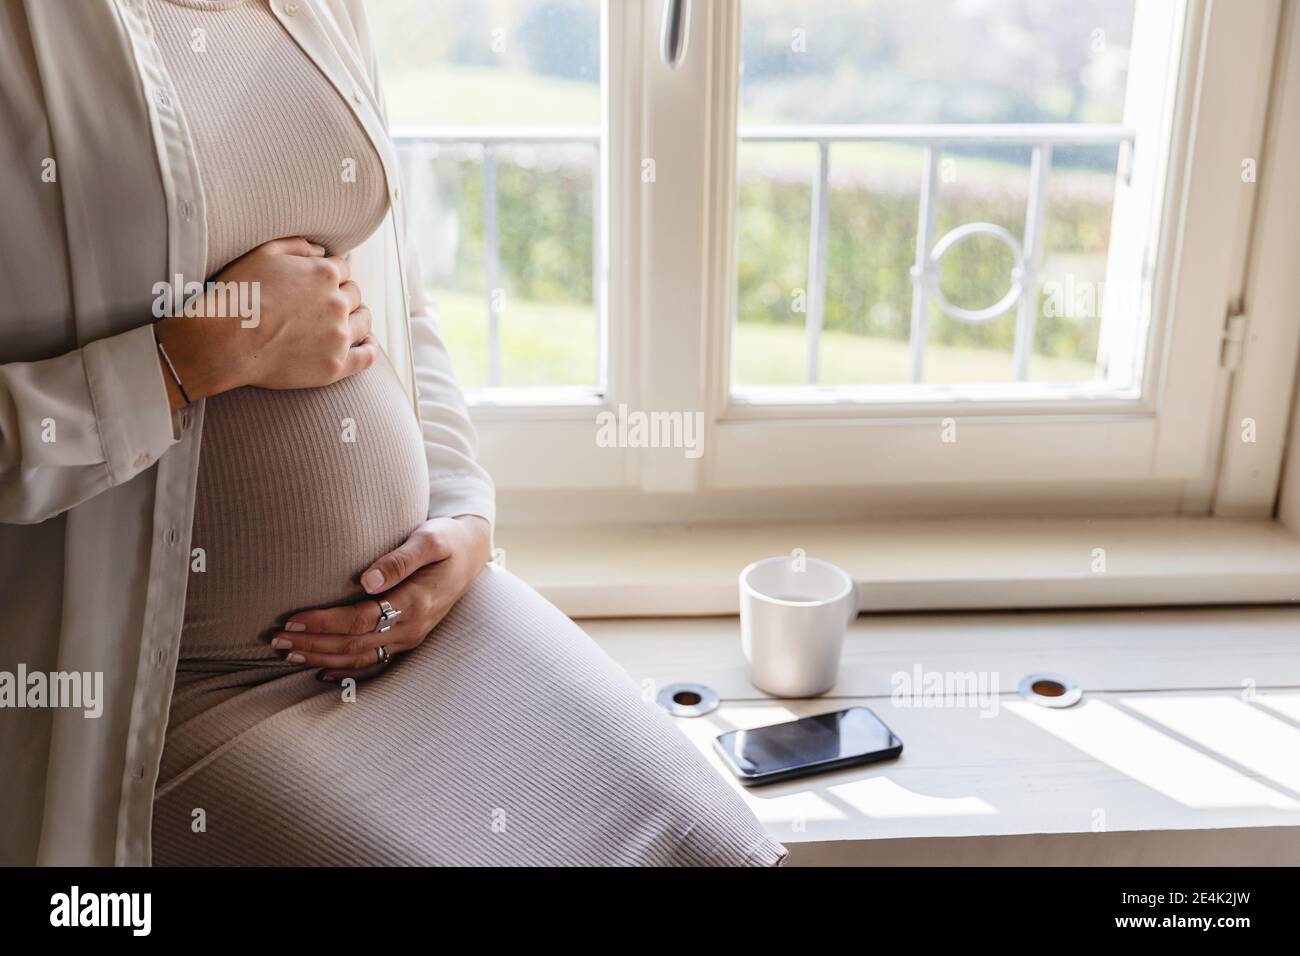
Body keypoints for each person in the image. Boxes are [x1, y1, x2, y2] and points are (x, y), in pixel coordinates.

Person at [0, 0, 784, 867]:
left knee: (706, 848)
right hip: (188, 690)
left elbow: (392, 296)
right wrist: (190, 359)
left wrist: (461, 513)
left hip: (431, 628)